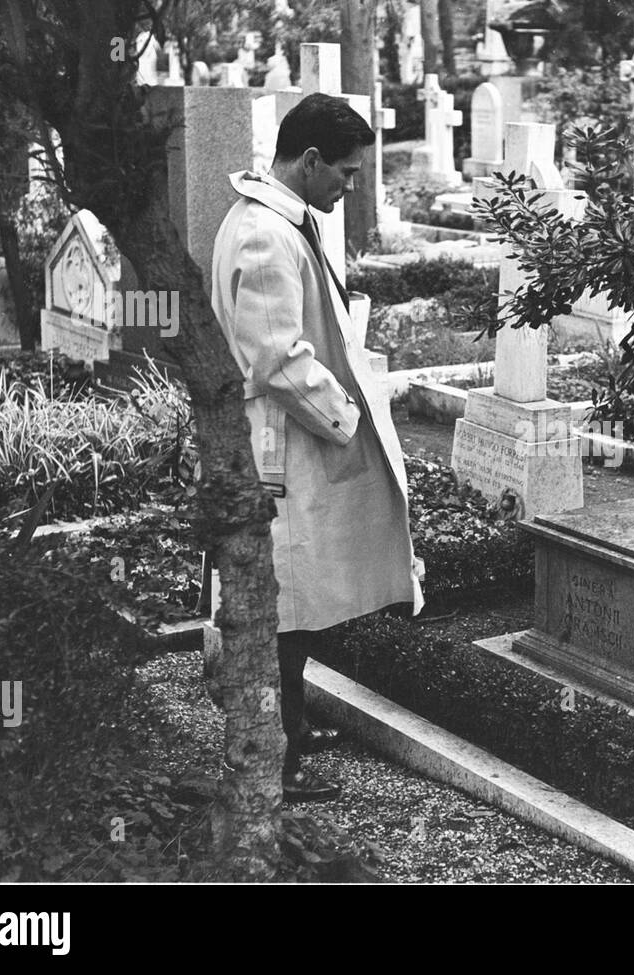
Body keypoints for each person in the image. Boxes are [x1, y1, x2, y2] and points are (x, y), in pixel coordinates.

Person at [210, 93, 425, 803]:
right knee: (284, 610)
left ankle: (290, 730)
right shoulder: (266, 237)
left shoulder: (277, 220)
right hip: (281, 448)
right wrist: (349, 418)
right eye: (346, 172)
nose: (352, 185)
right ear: (308, 162)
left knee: (294, 608)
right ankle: (276, 755)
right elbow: (277, 360)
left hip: (284, 442)